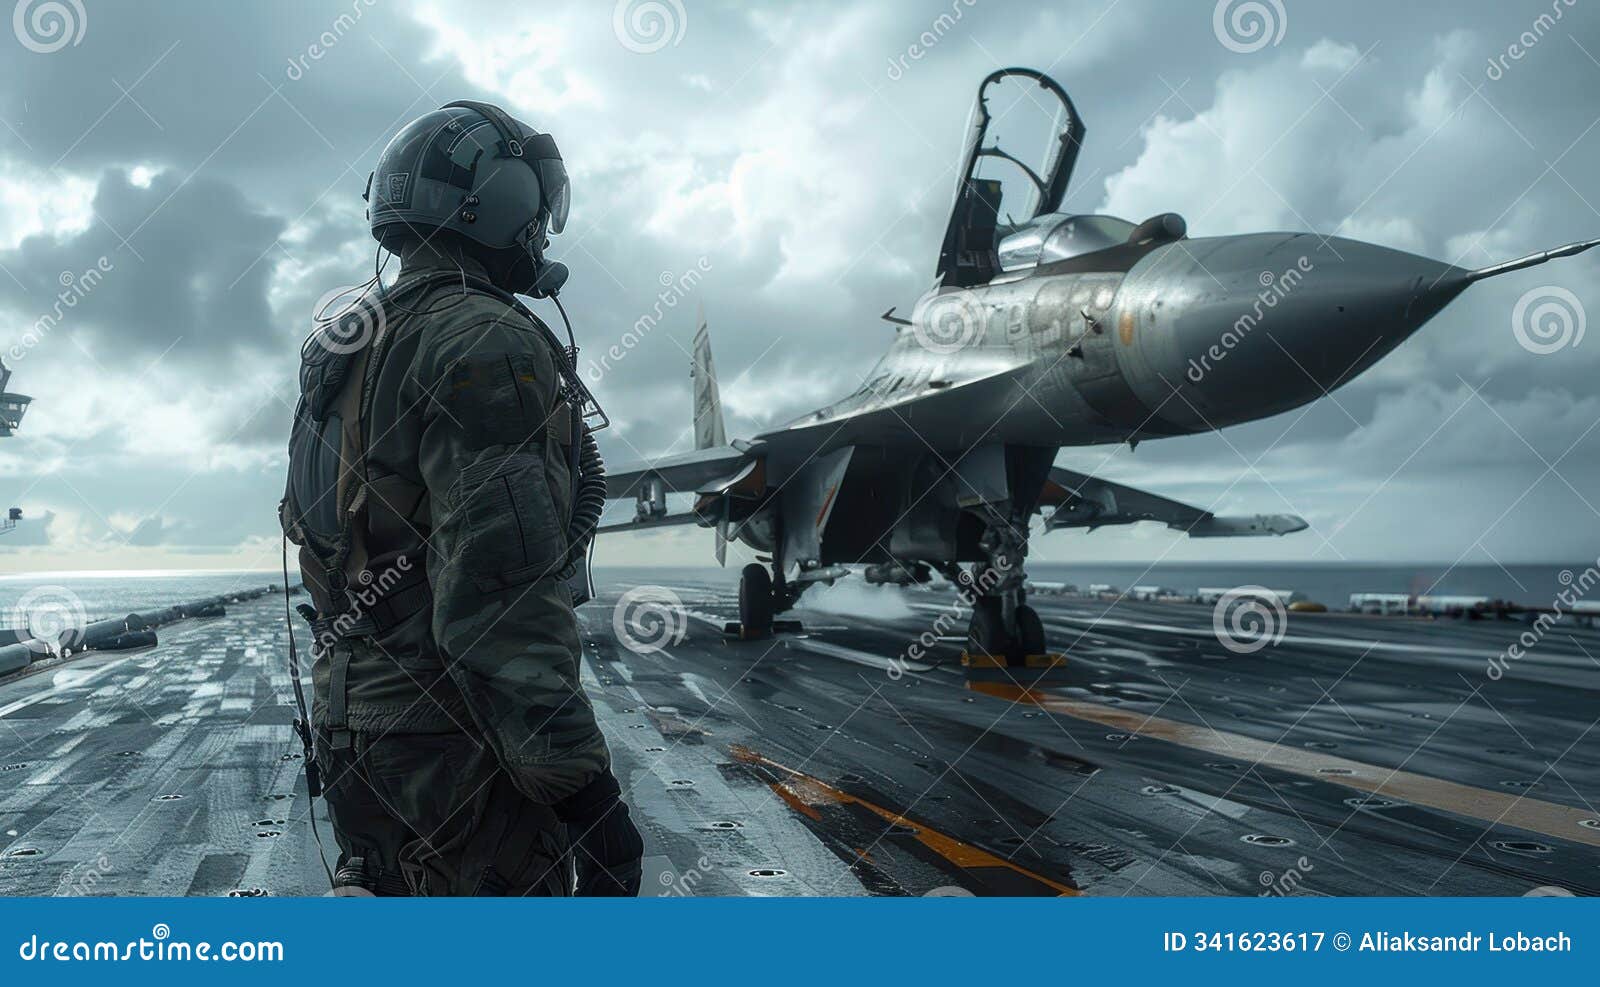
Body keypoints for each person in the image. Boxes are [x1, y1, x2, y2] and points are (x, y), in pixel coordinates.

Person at [279, 100, 642, 897]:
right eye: (536, 208)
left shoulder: (347, 346)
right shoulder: (484, 338)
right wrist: (588, 796)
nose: (541, 230)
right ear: (505, 202)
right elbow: (495, 603)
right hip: (455, 746)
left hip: (357, 734)